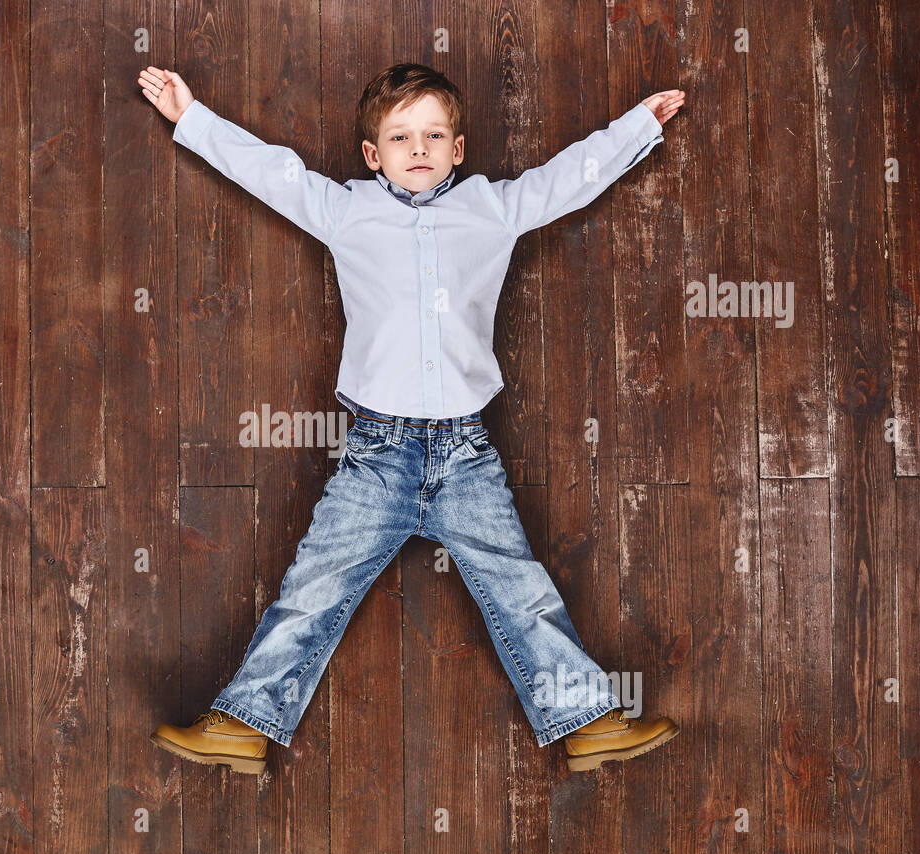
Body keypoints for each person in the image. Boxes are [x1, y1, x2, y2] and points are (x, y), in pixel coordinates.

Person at [139, 62, 683, 775]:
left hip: (465, 454)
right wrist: (191, 117)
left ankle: (586, 721)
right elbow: (271, 174)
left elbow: (568, 177)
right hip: (377, 451)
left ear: (459, 149)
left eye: (433, 134)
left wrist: (637, 127)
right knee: (314, 585)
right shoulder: (346, 210)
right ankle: (244, 724)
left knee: (521, 586)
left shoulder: (494, 208)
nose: (418, 147)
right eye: (400, 136)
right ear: (374, 156)